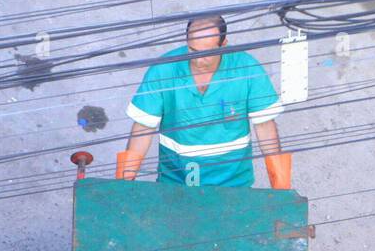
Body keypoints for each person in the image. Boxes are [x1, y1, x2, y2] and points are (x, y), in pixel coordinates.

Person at [116, 14, 292, 189]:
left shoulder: (247, 69)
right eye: (192, 50)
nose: (199, 60)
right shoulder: (163, 70)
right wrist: (122, 187)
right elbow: (142, 129)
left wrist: (281, 189)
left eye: (207, 53)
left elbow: (265, 128)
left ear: (223, 44)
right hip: (175, 182)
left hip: (234, 185)